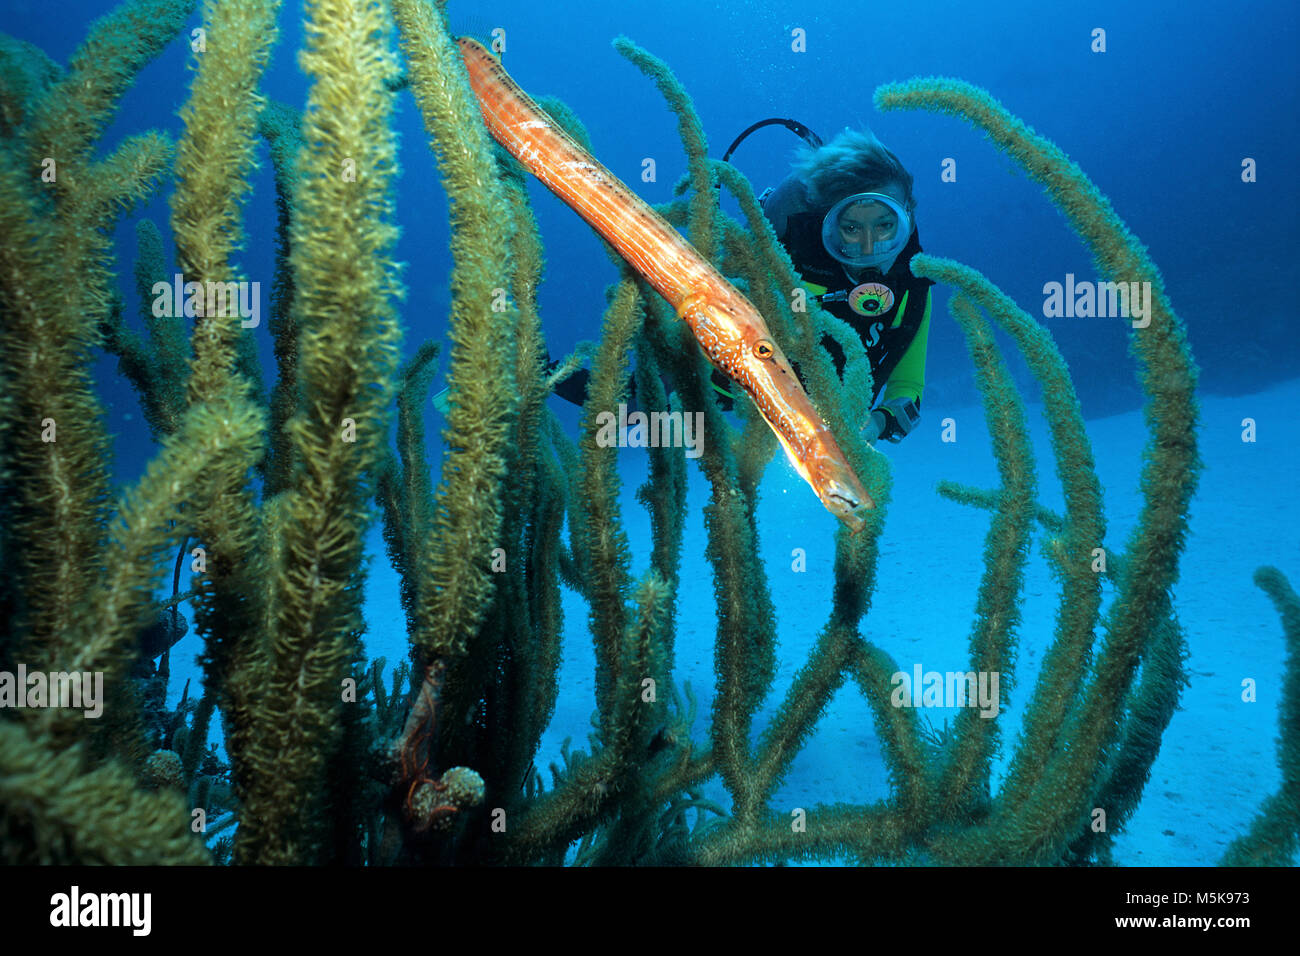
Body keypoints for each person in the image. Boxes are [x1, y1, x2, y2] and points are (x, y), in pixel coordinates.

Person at [751, 127, 931, 443]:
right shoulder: (788, 262)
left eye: (886, 226)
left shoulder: (913, 282)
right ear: (830, 226)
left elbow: (909, 387)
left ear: (908, 221)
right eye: (851, 228)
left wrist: (877, 424)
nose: (869, 247)